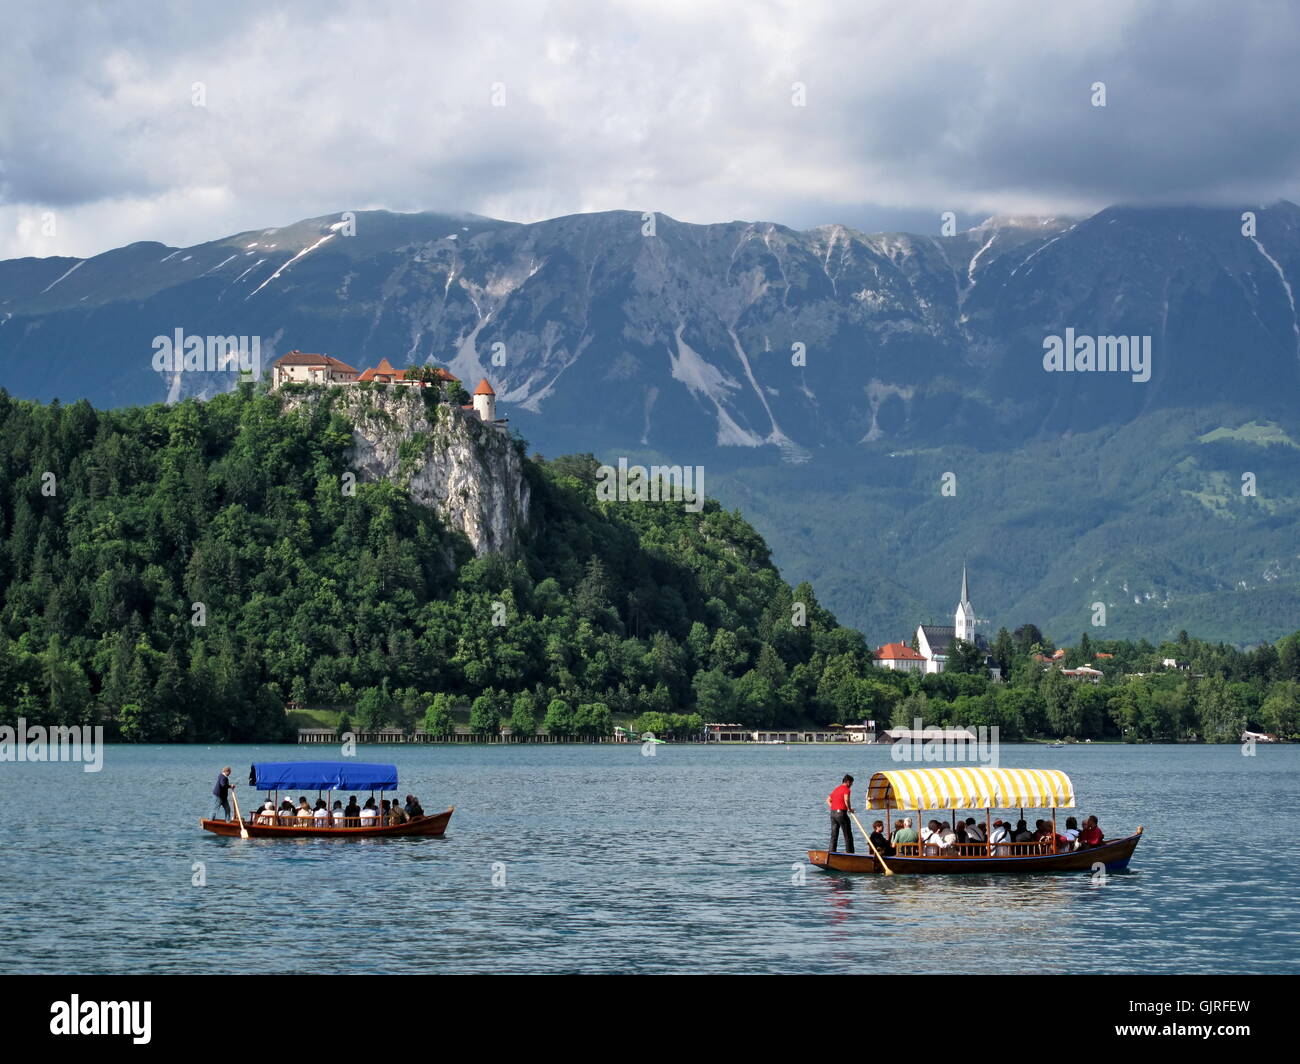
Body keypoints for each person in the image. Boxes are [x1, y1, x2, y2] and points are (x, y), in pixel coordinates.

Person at [825, 774, 855, 854]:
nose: (851, 785)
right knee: (848, 834)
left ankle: (831, 852)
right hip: (841, 813)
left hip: (833, 813)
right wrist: (849, 809)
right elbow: (846, 799)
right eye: (851, 783)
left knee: (834, 835)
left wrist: (834, 807)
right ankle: (850, 854)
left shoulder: (836, 789)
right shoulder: (846, 789)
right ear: (848, 782)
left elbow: (828, 800)